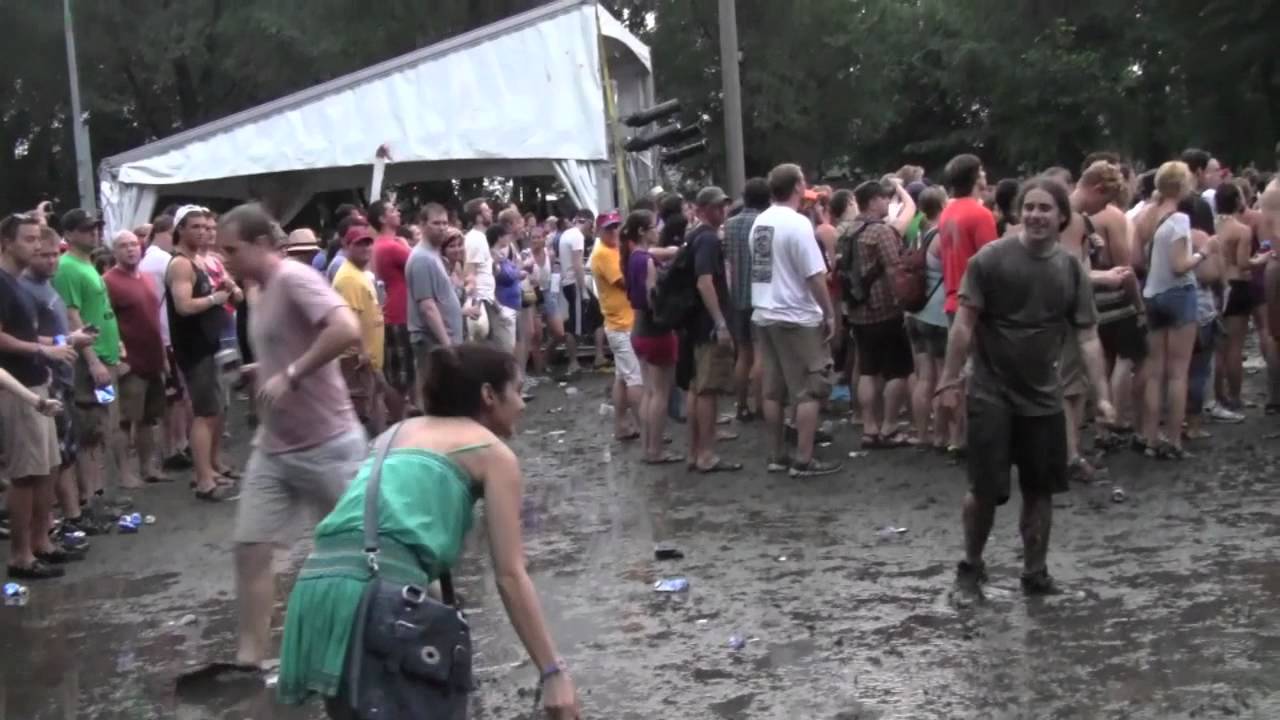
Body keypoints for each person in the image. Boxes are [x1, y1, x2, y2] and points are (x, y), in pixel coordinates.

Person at [276, 343, 581, 718]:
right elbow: (510, 575)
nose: (522, 404)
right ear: (488, 394)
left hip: (318, 589)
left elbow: (384, 532)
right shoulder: (492, 452)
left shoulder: (393, 434)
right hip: (373, 599)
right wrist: (552, 671)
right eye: (517, 391)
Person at [938, 177, 1114, 598]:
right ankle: (971, 566)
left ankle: (1035, 574)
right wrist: (949, 379)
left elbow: (1088, 336)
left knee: (1040, 490)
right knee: (984, 490)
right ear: (1019, 213)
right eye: (1029, 207)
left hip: (1043, 396)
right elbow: (963, 324)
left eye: (1045, 208)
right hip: (990, 392)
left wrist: (1103, 395)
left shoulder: (1070, 268)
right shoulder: (990, 260)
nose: (1035, 215)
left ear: (1062, 217)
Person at [214, 203, 368, 678]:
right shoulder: (257, 291)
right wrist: (260, 370)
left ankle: (410, 626)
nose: (224, 259)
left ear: (262, 243)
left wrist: (293, 373)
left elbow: (346, 328)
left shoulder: (294, 278)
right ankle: (249, 659)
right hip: (275, 447)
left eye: (231, 250)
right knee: (251, 547)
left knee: (365, 550)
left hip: (329, 443)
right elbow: (287, 347)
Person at [0, 213, 81, 579]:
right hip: (16, 389)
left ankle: (40, 542)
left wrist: (62, 343)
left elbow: (30, 335)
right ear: (7, 242)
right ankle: (20, 556)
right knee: (26, 474)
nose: (36, 246)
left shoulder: (16, 283)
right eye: (28, 239)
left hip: (38, 382)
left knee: (48, 468)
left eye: (38, 239)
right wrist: (41, 351)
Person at [749, 163, 842, 477]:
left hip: (765, 312)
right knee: (809, 390)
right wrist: (829, 313)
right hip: (796, 315)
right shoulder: (798, 223)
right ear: (798, 186)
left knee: (773, 391)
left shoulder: (760, 222)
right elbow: (814, 275)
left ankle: (777, 455)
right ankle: (804, 459)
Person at [22, 226, 103, 537]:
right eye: (44, 255)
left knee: (66, 453)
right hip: (43, 381)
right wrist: (67, 339)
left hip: (62, 378)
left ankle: (74, 514)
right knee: (51, 459)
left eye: (56, 254)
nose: (52, 260)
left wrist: (73, 337)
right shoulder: (24, 289)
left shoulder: (48, 285)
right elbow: (23, 339)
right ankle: (54, 523)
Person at [53, 209, 127, 506]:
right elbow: (72, 317)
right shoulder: (67, 267)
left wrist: (115, 343)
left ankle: (100, 493)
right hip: (89, 364)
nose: (94, 232)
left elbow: (98, 309)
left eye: (96, 227)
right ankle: (92, 496)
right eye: (86, 229)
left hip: (105, 356)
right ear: (69, 234)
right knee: (90, 428)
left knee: (105, 422)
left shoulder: (86, 263)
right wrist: (93, 361)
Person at [1135, 161, 1206, 459]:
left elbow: (1139, 257)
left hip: (1152, 294)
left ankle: (1150, 437)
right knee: (1178, 373)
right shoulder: (1179, 219)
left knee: (1154, 372)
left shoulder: (1148, 216)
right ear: (1182, 185)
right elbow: (1180, 266)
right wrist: (1203, 253)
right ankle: (1174, 440)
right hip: (1178, 295)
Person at [165, 205, 234, 500]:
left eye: (206, 227)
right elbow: (183, 306)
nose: (203, 232)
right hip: (194, 349)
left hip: (209, 344)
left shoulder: (198, 261)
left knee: (214, 410)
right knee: (204, 414)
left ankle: (209, 470)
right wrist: (215, 298)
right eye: (196, 227)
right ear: (180, 229)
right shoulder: (181, 264)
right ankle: (203, 479)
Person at [845, 180, 914, 448]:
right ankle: (889, 426)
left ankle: (869, 427)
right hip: (884, 309)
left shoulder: (848, 230)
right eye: (884, 198)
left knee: (867, 370)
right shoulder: (880, 231)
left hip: (857, 310)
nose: (887, 202)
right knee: (898, 370)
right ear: (873, 201)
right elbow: (894, 269)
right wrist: (903, 301)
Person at [104, 230, 169, 487]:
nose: (131, 249)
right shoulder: (108, 281)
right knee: (124, 420)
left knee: (148, 418)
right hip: (129, 364)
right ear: (114, 251)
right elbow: (104, 323)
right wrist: (118, 360)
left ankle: (147, 467)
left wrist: (163, 357)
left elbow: (154, 322)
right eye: (124, 245)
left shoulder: (147, 278)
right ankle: (124, 474)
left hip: (152, 359)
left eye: (134, 244)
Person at [685, 186, 740, 473]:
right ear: (702, 209)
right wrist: (720, 322)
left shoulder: (695, 236)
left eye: (723, 206)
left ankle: (695, 452)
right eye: (717, 207)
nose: (722, 211)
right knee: (708, 390)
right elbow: (705, 282)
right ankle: (706, 453)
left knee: (697, 389)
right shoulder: (707, 239)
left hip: (696, 323)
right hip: (707, 325)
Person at [622, 210, 681, 464]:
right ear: (642, 231)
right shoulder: (646, 261)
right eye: (654, 226)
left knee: (649, 391)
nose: (658, 230)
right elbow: (653, 299)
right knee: (660, 393)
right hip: (656, 332)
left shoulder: (633, 257)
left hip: (638, 331)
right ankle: (655, 449)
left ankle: (648, 447)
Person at [589, 210, 643, 441]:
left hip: (621, 322)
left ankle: (622, 425)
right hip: (621, 324)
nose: (613, 231)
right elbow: (624, 282)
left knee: (623, 377)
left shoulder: (613, 250)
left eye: (615, 227)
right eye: (609, 228)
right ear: (599, 231)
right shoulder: (603, 253)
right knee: (635, 379)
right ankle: (646, 428)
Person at [1217, 181, 1269, 413]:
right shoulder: (1241, 230)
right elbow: (1243, 263)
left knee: (1219, 346)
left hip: (1218, 286)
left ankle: (1218, 396)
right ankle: (1235, 397)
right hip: (1238, 286)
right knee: (1235, 347)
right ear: (1237, 200)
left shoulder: (1212, 226)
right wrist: (1262, 259)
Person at [406, 204, 466, 408]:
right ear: (422, 225)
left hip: (441, 340)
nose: (442, 228)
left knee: (445, 395)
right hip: (432, 340)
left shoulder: (432, 254)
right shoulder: (422, 259)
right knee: (436, 397)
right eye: (436, 223)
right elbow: (427, 306)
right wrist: (447, 344)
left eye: (445, 223)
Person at [906, 186, 950, 448]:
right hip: (936, 314)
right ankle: (941, 435)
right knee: (943, 376)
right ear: (943, 204)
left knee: (923, 377)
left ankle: (922, 433)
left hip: (914, 311)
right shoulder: (941, 236)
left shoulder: (915, 231)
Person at [332, 223, 386, 433]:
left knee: (374, 404)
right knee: (362, 413)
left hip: (368, 357)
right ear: (347, 247)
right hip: (357, 359)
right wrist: (362, 352)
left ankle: (378, 446)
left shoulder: (359, 273)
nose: (366, 248)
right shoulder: (348, 278)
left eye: (368, 243)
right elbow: (348, 320)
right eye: (359, 244)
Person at [724, 178, 769, 420]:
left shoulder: (730, 224)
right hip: (760, 296)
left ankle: (741, 405)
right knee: (761, 354)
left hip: (737, 296)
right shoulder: (764, 223)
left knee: (743, 354)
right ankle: (760, 405)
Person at [369, 200, 413, 421]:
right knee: (402, 376)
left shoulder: (379, 245)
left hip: (393, 311)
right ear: (382, 218)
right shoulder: (391, 246)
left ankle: (399, 418)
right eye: (392, 210)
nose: (397, 212)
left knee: (399, 373)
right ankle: (398, 420)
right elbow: (417, 263)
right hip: (400, 313)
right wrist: (406, 245)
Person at [557, 209, 594, 373]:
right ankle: (573, 363)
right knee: (574, 325)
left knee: (573, 322)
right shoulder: (578, 236)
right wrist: (583, 290)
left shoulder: (566, 234)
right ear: (588, 222)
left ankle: (574, 361)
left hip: (567, 282)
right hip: (574, 283)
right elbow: (578, 265)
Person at [462, 197, 502, 345]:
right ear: (478, 217)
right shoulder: (476, 238)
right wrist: (476, 303)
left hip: (487, 298)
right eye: (486, 209)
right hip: (481, 300)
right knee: (487, 346)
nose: (491, 211)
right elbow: (470, 272)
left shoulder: (481, 237)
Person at [488, 223, 522, 353]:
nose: (509, 238)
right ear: (499, 237)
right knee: (505, 349)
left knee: (511, 347)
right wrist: (500, 309)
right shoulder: (492, 257)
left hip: (513, 306)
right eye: (506, 235)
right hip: (502, 307)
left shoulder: (502, 256)